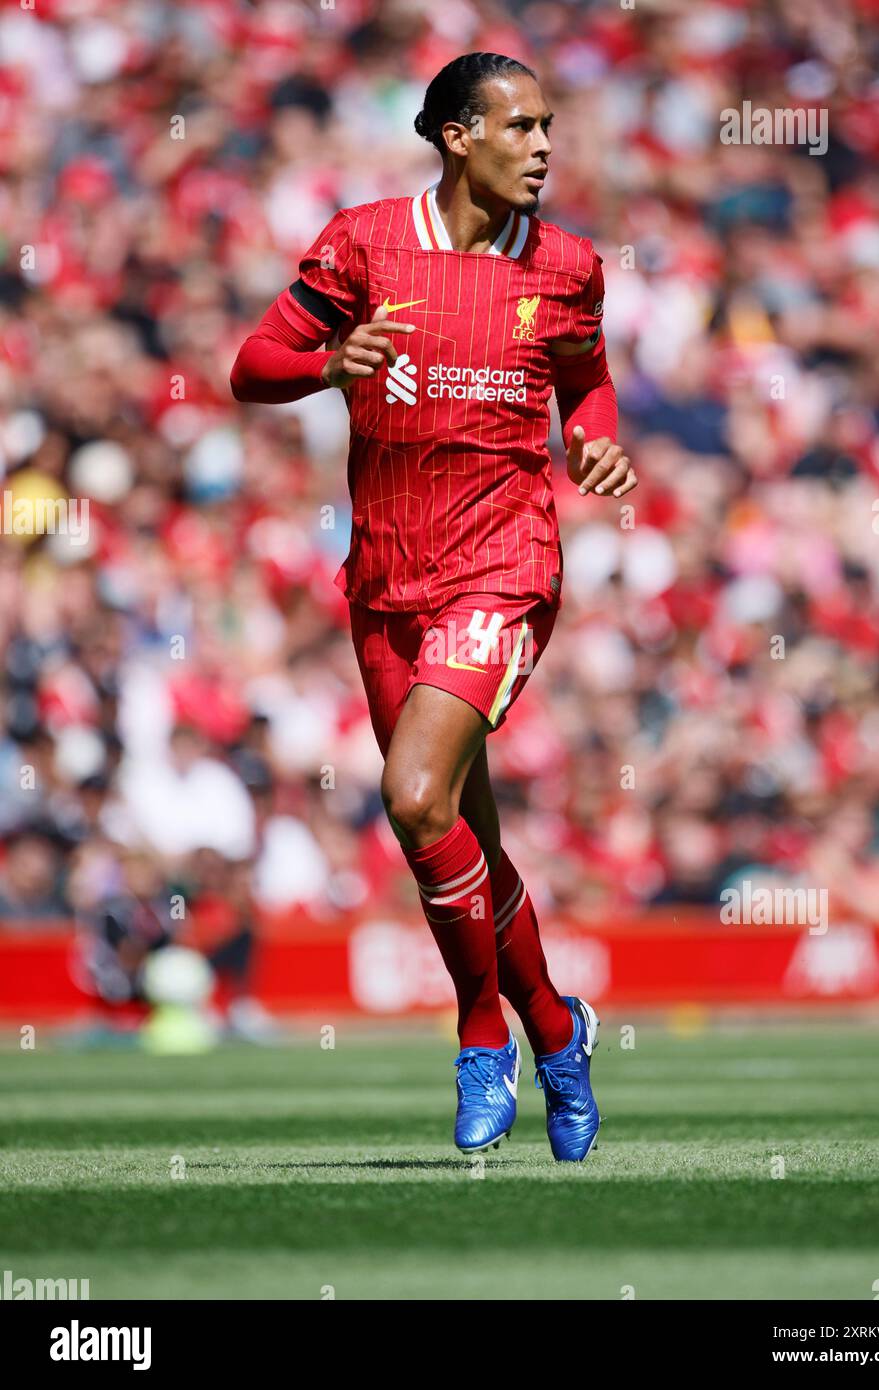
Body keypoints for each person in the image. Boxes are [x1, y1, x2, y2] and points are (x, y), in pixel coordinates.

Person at [231, 52, 636, 1162]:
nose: (545, 144)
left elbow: (586, 381)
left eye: (551, 124)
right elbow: (252, 363)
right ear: (458, 136)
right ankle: (559, 1026)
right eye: (522, 125)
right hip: (385, 580)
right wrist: (327, 360)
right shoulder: (365, 241)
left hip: (504, 565)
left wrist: (592, 439)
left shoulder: (566, 265)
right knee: (462, 839)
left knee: (413, 798)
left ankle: (481, 1035)